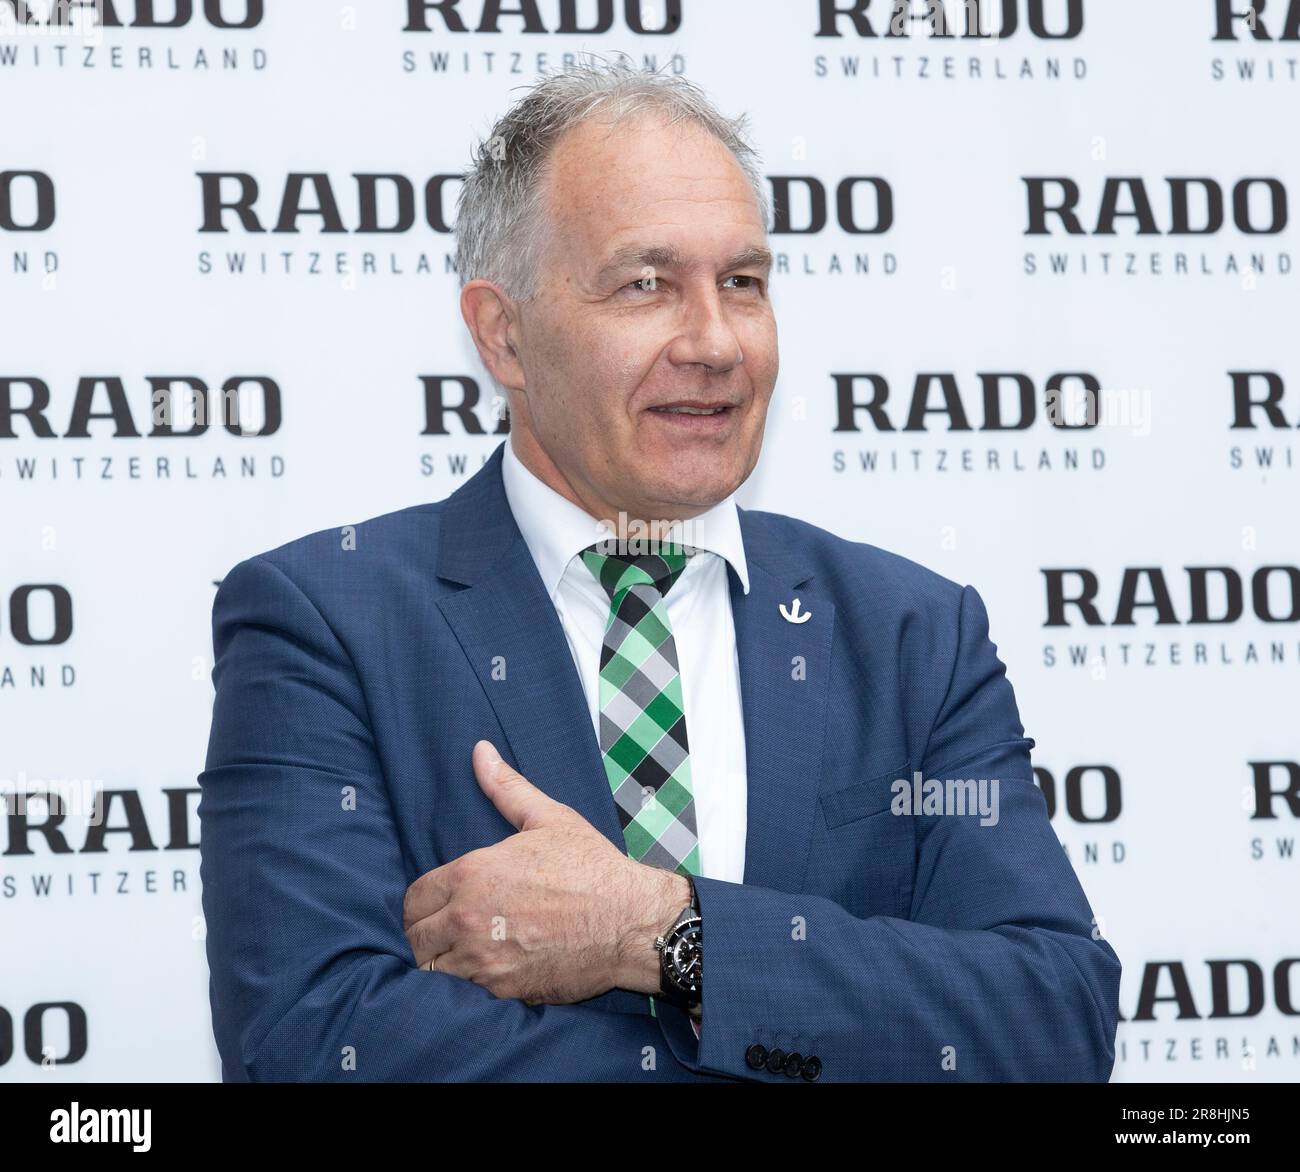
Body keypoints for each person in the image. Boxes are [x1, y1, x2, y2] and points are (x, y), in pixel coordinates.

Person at [198, 60, 1120, 1082]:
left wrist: (661, 930)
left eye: (742, 283)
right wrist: (817, 1025)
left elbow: (1050, 1021)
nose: (716, 342)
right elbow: (314, 1043)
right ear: (503, 335)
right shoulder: (328, 620)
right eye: (645, 284)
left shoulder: (911, 633)